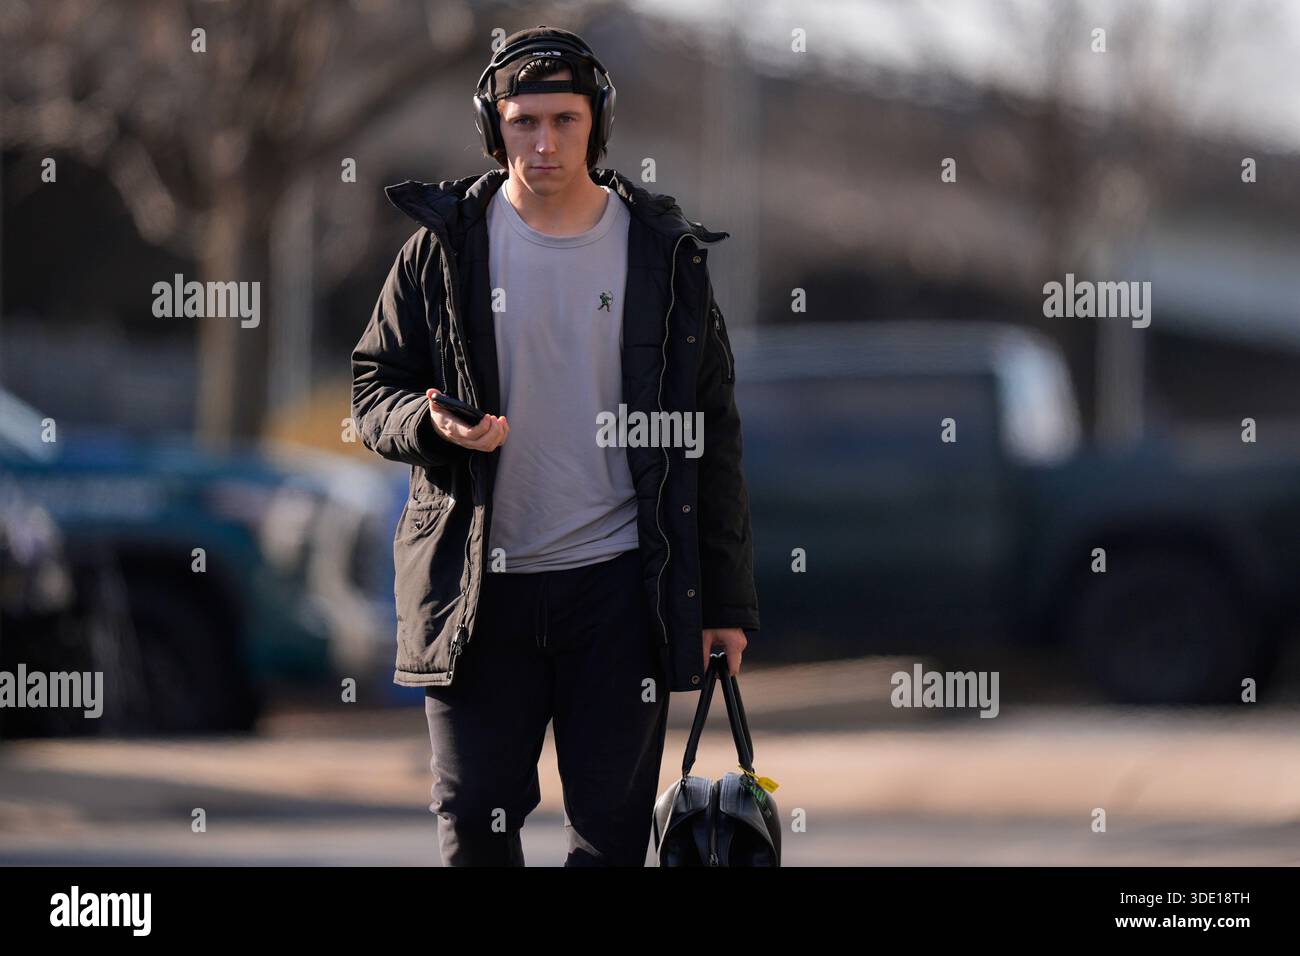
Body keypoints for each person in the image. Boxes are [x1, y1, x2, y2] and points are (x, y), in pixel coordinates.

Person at [350, 25, 759, 866]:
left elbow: (711, 435)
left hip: (617, 589)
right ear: (492, 127)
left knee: (610, 839)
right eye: (523, 120)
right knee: (472, 826)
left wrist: (728, 602)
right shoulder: (441, 248)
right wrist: (432, 424)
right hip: (474, 590)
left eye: (564, 121)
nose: (543, 142)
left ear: (597, 124)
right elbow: (372, 390)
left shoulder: (663, 254)